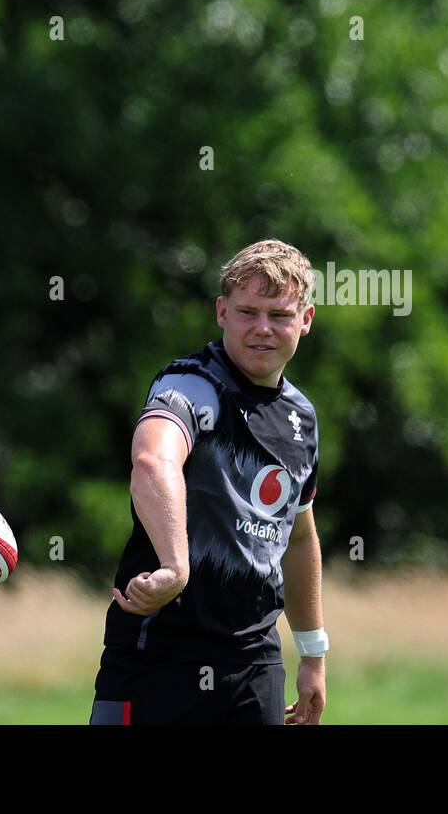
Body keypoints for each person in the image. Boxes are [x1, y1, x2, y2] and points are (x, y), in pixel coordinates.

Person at [89, 239, 328, 724]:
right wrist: (176, 566)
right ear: (222, 312)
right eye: (247, 312)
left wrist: (312, 654)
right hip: (157, 656)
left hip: (254, 665)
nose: (262, 329)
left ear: (306, 319)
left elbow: (299, 538)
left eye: (279, 315)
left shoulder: (302, 417)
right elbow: (154, 461)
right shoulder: (190, 386)